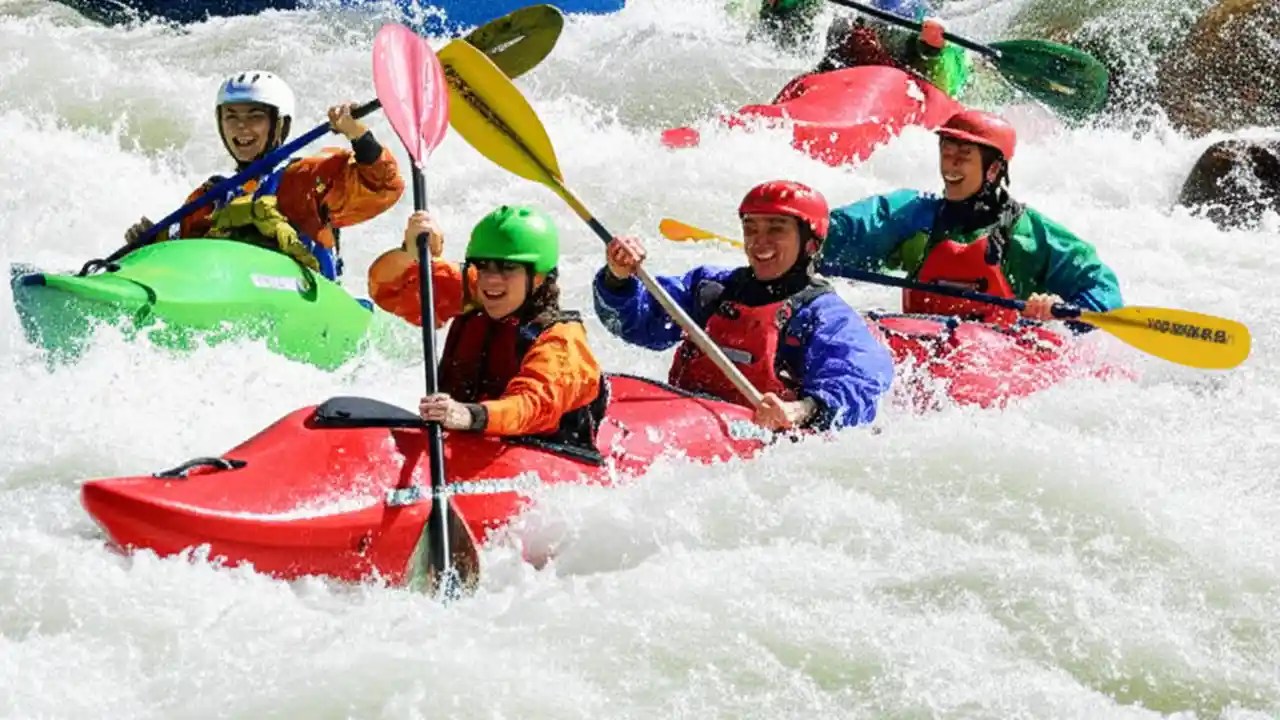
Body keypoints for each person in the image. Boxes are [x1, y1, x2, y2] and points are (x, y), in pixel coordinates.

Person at [593, 180, 895, 433]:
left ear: (810, 244)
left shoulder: (824, 317)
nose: (759, 242)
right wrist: (618, 279)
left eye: (776, 229)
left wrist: (801, 410)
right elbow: (637, 326)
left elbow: (860, 383)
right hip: (687, 419)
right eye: (751, 229)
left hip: (755, 439)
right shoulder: (710, 290)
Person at [818, 109, 1124, 324]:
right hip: (920, 340)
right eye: (946, 152)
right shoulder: (912, 215)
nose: (950, 166)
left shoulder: (1029, 234)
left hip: (997, 353)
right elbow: (846, 232)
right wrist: (801, 239)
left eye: (963, 156)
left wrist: (1061, 310)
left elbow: (1099, 288)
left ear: (993, 169)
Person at [124, 70, 404, 280]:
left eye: (254, 116)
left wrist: (357, 134)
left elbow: (382, 186)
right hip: (230, 293)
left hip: (303, 300)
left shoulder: (307, 177)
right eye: (231, 117)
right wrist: (149, 242)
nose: (241, 127)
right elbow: (181, 258)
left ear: (280, 124)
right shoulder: (212, 195)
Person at [367, 206, 606, 450]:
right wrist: (411, 254)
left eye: (508, 268)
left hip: (540, 460)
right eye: (484, 266)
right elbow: (389, 291)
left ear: (539, 277)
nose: (491, 280)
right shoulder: (474, 294)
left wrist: (469, 415)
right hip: (464, 446)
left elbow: (531, 406)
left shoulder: (562, 341)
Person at [814, 0, 971, 100]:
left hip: (930, 61)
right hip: (869, 67)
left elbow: (945, 86)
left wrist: (932, 50)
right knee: (843, 28)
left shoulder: (926, 21)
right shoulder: (851, 24)